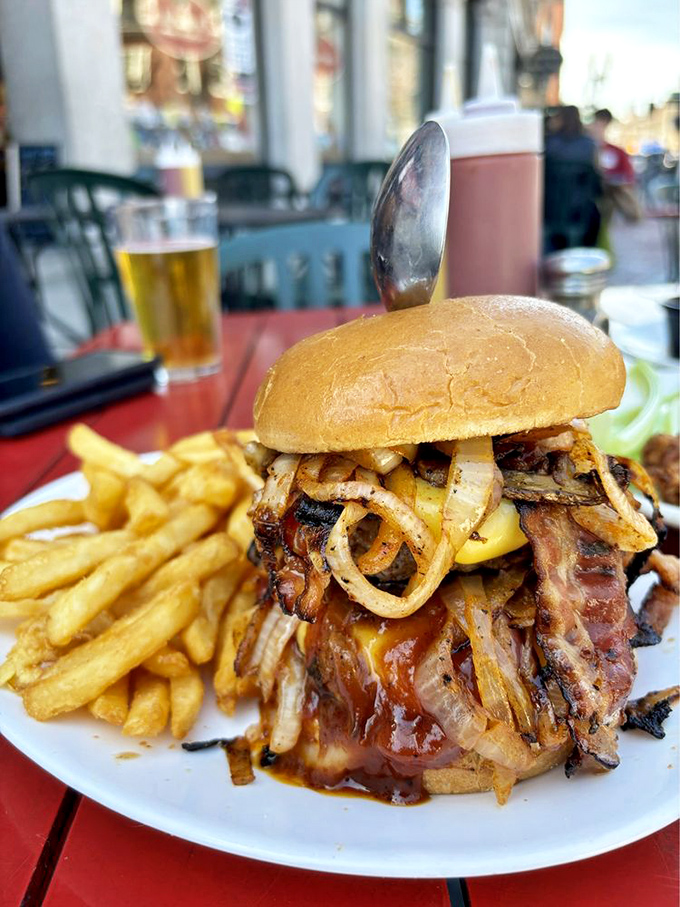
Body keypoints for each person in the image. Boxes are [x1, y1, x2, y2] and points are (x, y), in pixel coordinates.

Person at [544, 106, 602, 250]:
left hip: (549, 212)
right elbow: (597, 184)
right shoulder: (589, 145)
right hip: (580, 213)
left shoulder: (547, 144)